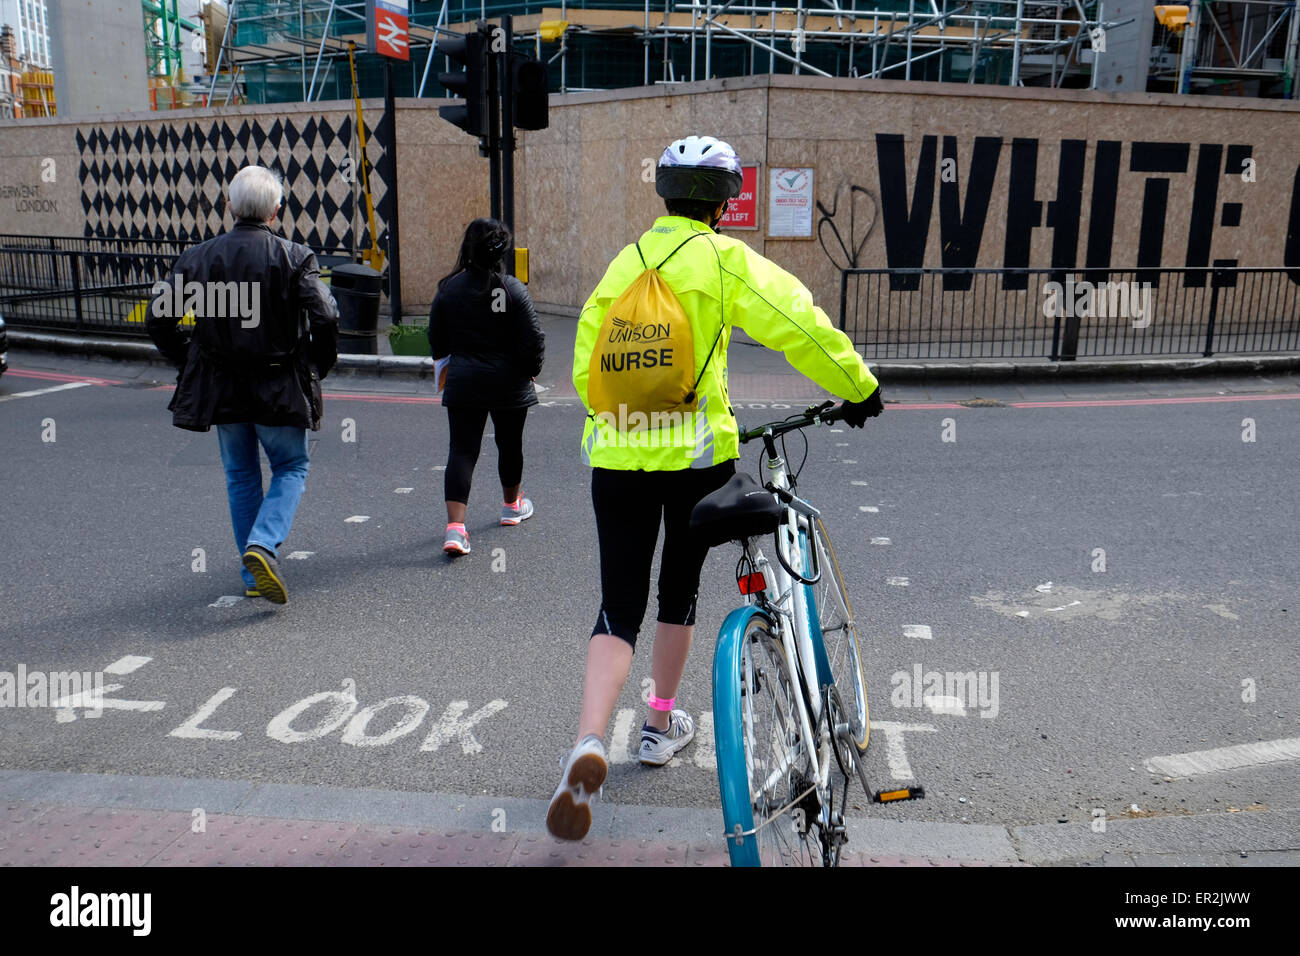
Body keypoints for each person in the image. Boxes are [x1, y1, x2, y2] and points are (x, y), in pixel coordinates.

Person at [547, 135, 885, 841]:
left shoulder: (624, 263)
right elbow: (797, 321)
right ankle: (659, 722)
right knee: (679, 592)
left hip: (616, 456)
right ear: (725, 202)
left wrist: (630, 420)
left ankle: (586, 743)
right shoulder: (723, 261)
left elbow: (586, 369)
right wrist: (857, 386)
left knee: (617, 606)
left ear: (664, 194)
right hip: (697, 462)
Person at [146, 164, 338, 605]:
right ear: (276, 209)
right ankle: (263, 546)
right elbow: (326, 316)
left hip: (223, 385)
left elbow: (159, 319)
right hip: (278, 383)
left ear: (229, 205)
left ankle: (252, 572)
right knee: (291, 467)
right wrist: (315, 364)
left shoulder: (198, 257)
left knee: (241, 475)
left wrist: (188, 361)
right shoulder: (294, 257)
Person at [428, 218, 545, 555]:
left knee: (463, 450)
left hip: (464, 379)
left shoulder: (449, 289)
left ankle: (455, 530)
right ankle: (512, 506)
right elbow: (534, 337)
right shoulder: (512, 289)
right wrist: (531, 369)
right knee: (510, 445)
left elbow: (436, 336)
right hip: (509, 380)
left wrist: (446, 363)